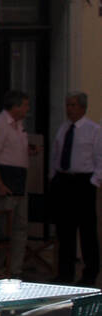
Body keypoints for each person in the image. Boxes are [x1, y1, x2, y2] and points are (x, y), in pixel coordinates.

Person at [49, 91, 101, 286]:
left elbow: (100, 158)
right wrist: (53, 177)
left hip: (83, 182)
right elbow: (56, 154)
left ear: (82, 107)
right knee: (65, 230)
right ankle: (65, 273)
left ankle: (89, 274)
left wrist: (94, 181)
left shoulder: (93, 129)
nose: (69, 109)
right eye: (67, 105)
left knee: (87, 230)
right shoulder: (64, 128)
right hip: (64, 181)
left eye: (72, 105)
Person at [0, 90, 38, 277]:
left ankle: (15, 269)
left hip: (19, 181)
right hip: (6, 182)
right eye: (25, 105)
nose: (27, 109)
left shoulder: (19, 125)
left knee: (20, 227)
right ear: (15, 106)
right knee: (3, 228)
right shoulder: (0, 124)